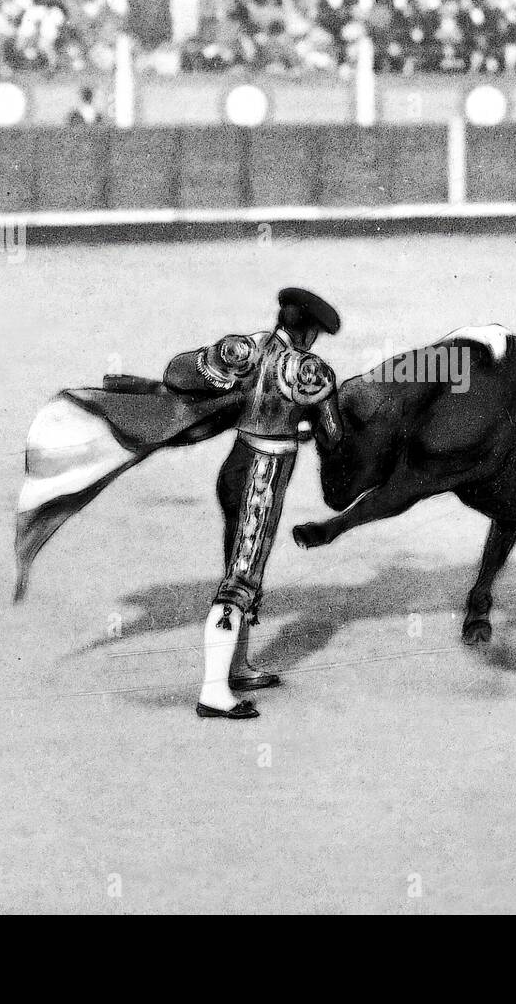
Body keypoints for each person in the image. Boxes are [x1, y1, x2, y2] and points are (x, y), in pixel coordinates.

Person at [163, 288, 342, 720]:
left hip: (234, 466)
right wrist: (308, 421)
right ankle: (214, 692)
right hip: (262, 478)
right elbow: (334, 436)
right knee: (242, 576)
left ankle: (237, 666)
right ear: (311, 331)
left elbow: (178, 373)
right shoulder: (309, 369)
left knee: (237, 564)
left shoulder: (246, 347)